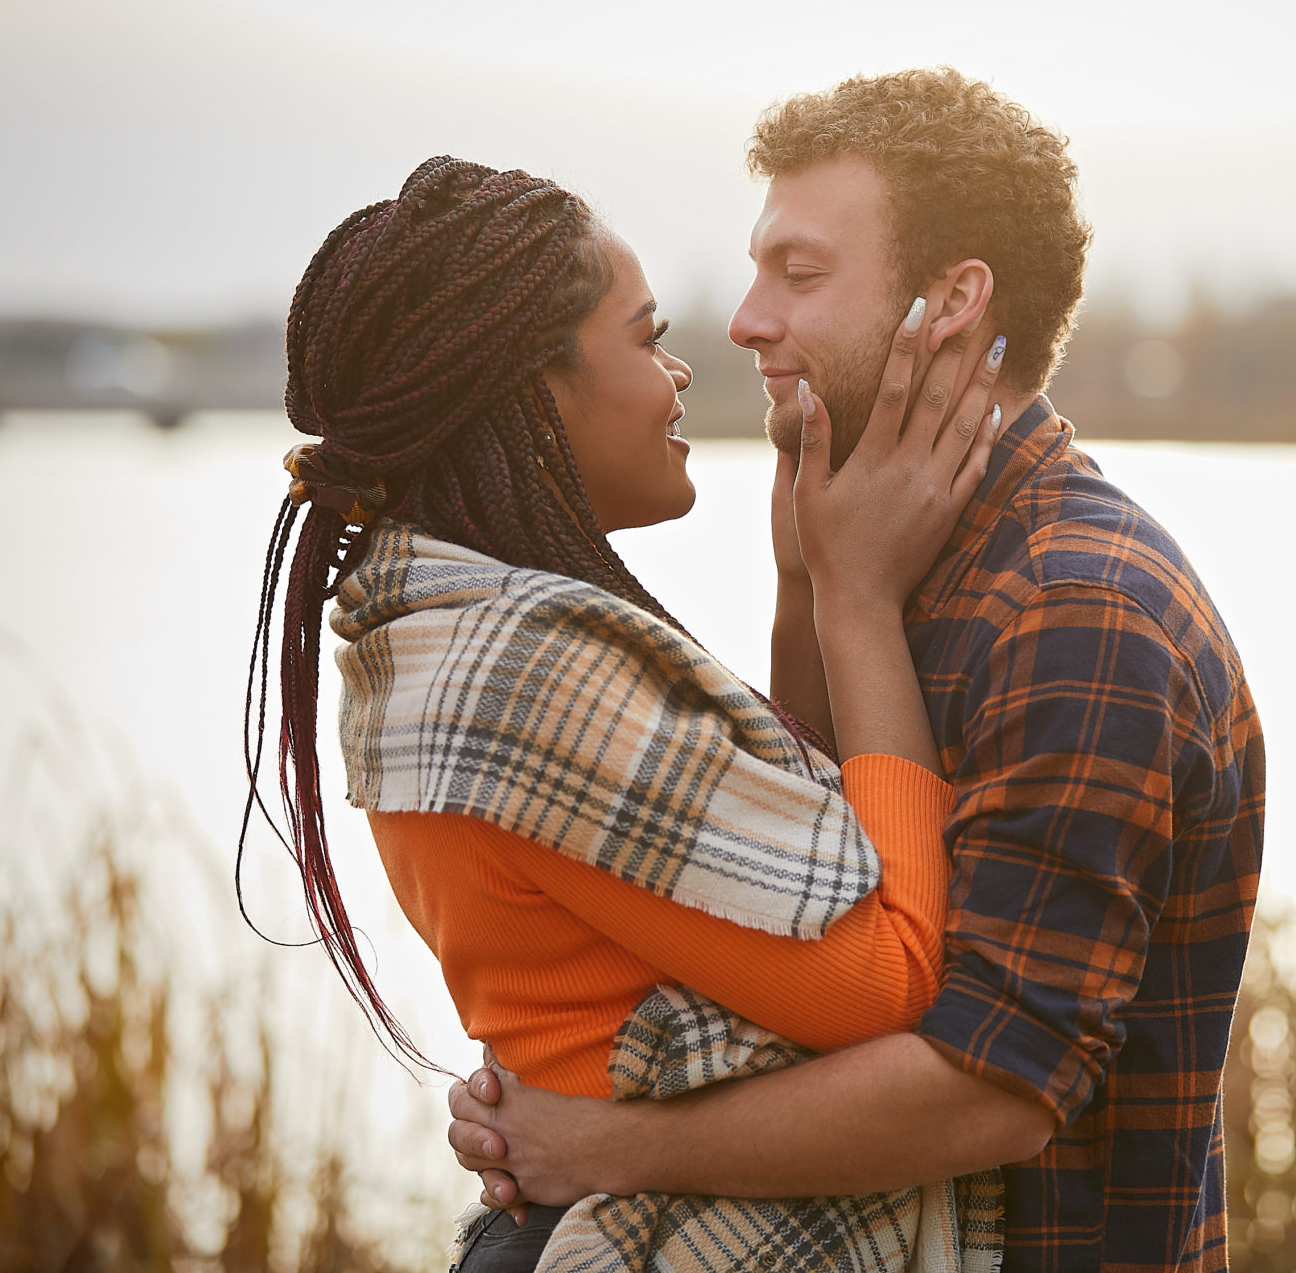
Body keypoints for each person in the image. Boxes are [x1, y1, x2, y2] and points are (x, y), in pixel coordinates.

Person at [448, 71, 1268, 1271]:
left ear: (949, 303)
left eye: (800, 273)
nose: (742, 320)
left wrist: (610, 1148)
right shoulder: (901, 543)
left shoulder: (1074, 610)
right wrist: (813, 586)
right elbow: (822, 888)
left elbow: (991, 1086)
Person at [243, 154, 1018, 1271]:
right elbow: (888, 974)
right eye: (646, 338)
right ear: (532, 390)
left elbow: (806, 847)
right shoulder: (520, 672)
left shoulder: (433, 630)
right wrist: (860, 599)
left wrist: (802, 576)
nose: (681, 372)